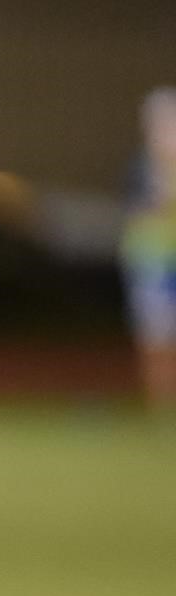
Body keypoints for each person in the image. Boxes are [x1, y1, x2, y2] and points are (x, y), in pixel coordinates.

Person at [124, 87, 176, 411]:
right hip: (152, 261)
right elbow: (135, 213)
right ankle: (161, 403)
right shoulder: (141, 168)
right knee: (155, 336)